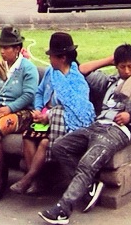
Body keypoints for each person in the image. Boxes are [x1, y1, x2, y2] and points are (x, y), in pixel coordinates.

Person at [40, 42, 131, 220]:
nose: (126, 71)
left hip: (116, 132)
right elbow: (82, 70)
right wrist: (110, 59)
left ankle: (63, 210)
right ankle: (89, 186)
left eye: (130, 66)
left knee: (87, 164)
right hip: (96, 126)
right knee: (59, 146)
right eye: (122, 66)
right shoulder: (110, 81)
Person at [10, 32, 94, 195]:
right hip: (43, 119)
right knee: (28, 137)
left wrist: (49, 115)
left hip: (63, 124)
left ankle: (28, 178)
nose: (50, 59)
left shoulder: (76, 79)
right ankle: (37, 182)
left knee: (44, 143)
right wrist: (39, 109)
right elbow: (40, 92)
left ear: (62, 58)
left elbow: (78, 108)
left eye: (52, 56)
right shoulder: (50, 72)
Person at [0, 25, 41, 200]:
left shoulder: (28, 68)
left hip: (22, 112)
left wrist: (9, 108)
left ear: (17, 49)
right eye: (1, 47)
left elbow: (29, 95)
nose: (2, 51)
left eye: (6, 47)